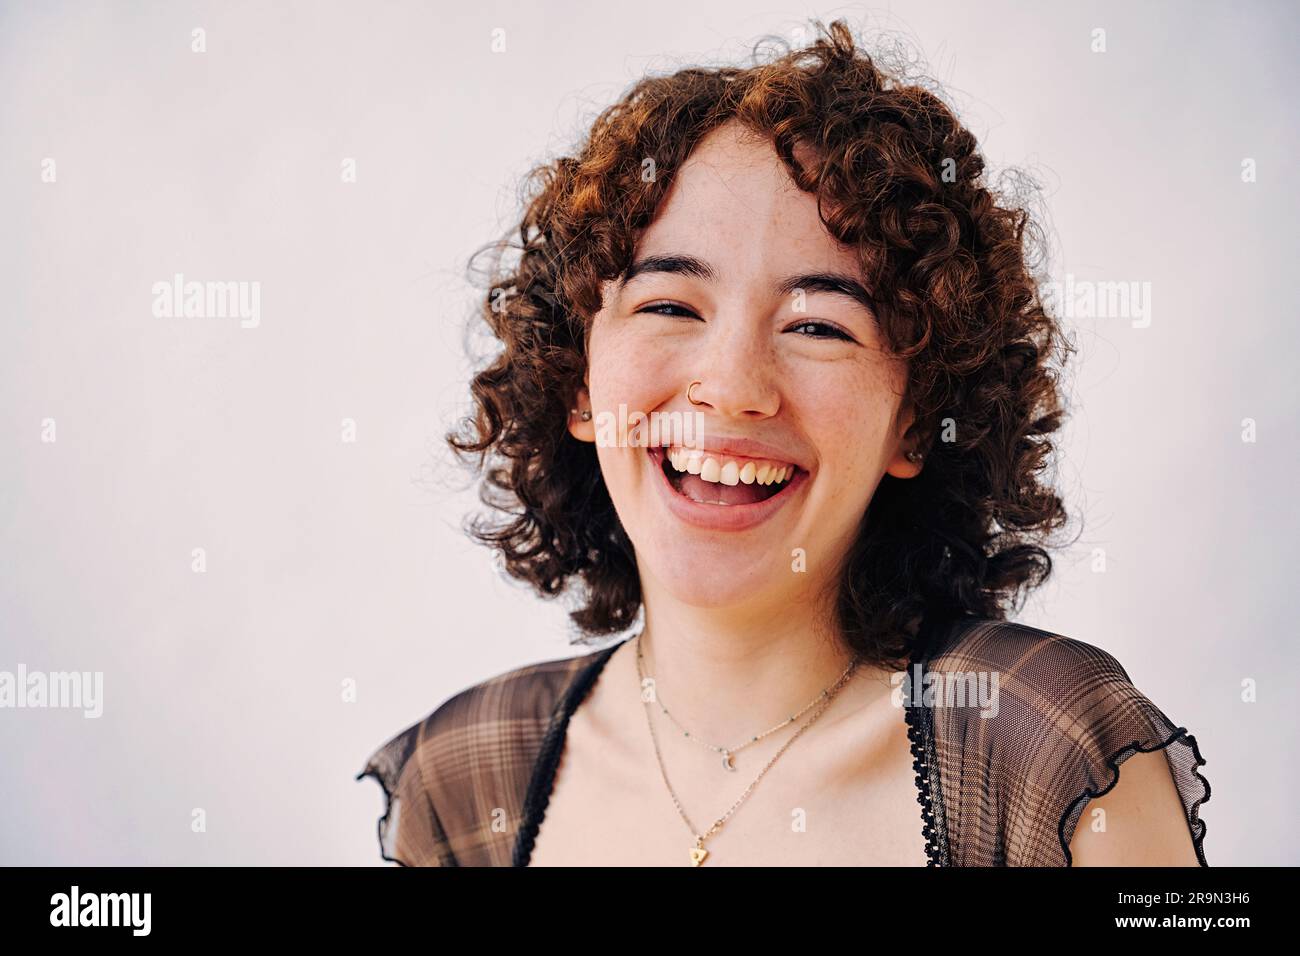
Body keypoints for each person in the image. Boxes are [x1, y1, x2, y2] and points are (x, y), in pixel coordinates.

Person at [357, 19, 1210, 867]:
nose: (730, 386)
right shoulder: (464, 782)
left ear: (915, 419)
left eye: (818, 324)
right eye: (669, 307)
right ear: (580, 382)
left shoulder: (1047, 747)